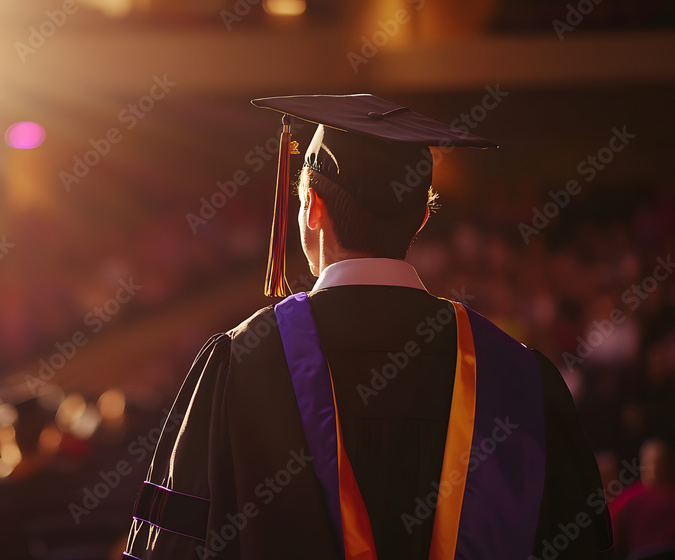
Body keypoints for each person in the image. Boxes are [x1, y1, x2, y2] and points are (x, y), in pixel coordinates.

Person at [122, 94, 615, 559]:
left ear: (311, 208)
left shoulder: (244, 364)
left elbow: (175, 545)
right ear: (421, 216)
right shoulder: (517, 374)